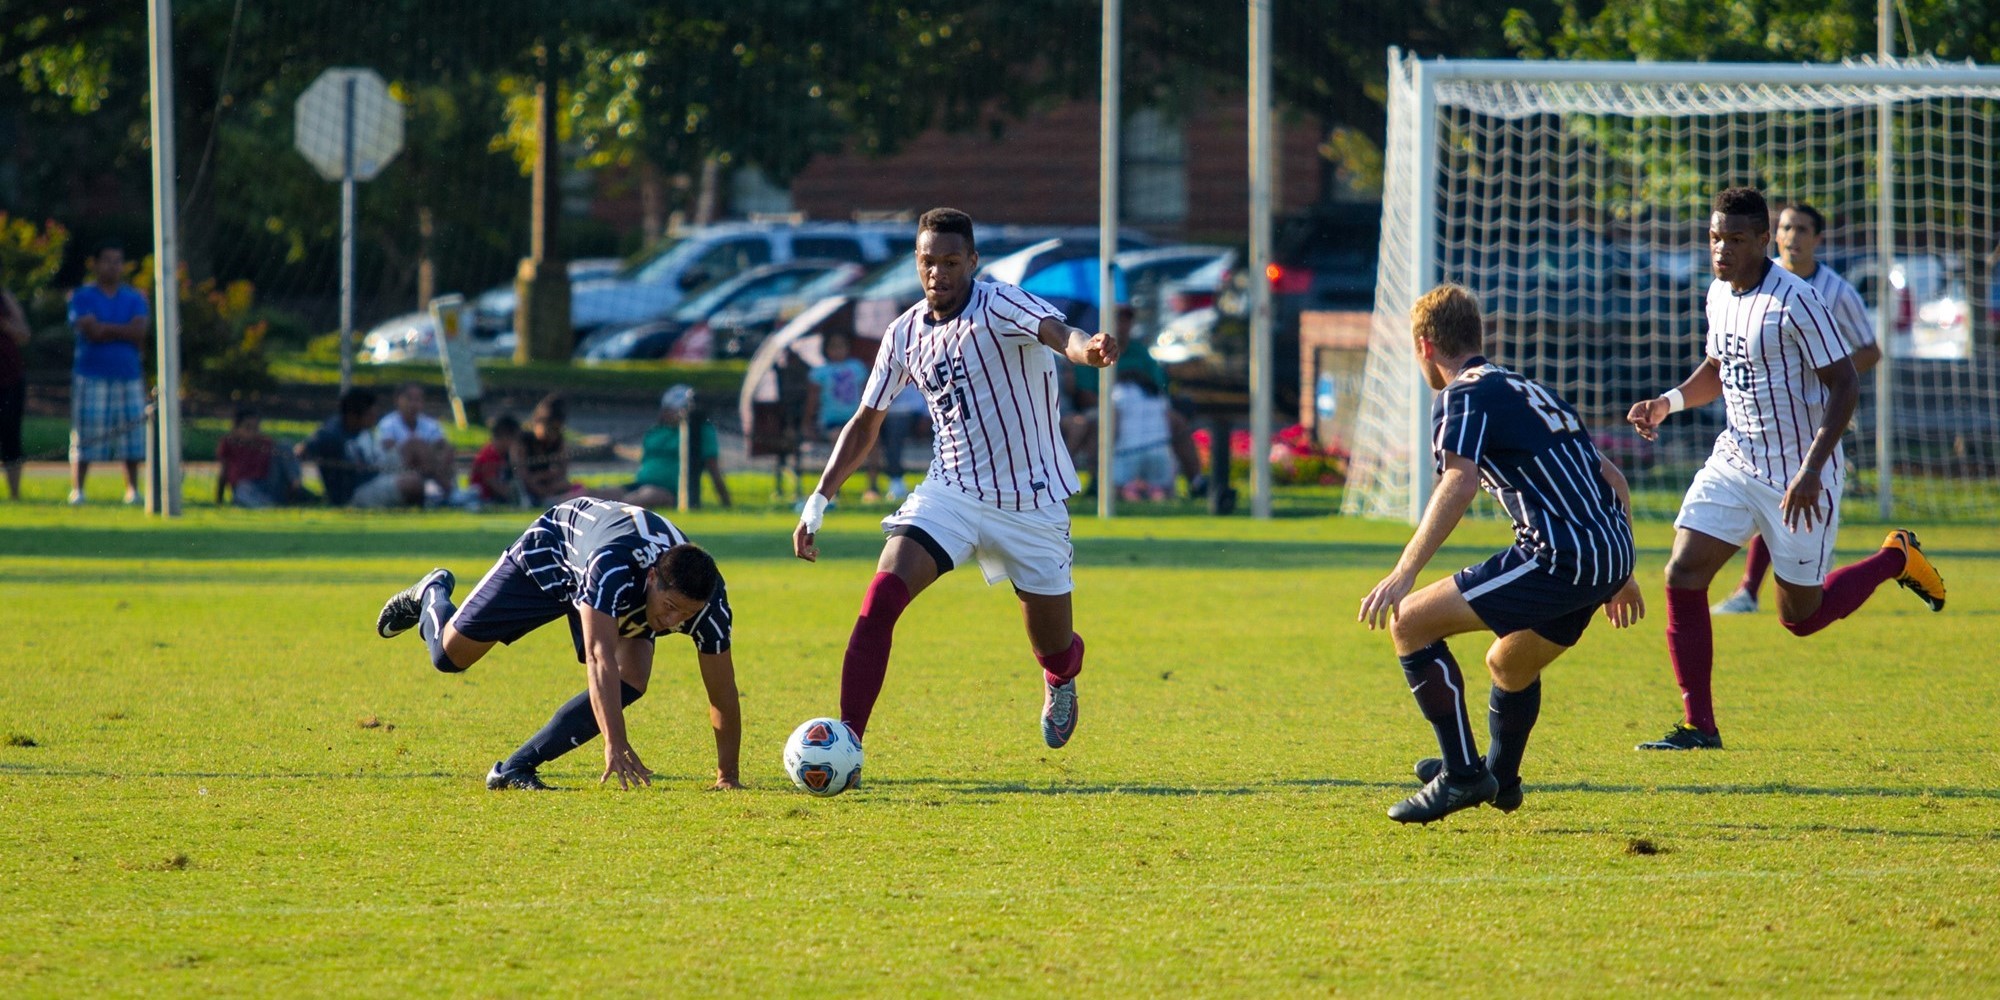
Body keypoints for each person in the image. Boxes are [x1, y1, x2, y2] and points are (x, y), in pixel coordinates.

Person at [1625, 187, 1946, 752]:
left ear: (1761, 240)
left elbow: (1845, 383)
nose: (1721, 249)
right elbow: (1717, 366)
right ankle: (1700, 726)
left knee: (1800, 617)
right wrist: (1667, 403)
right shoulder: (1718, 293)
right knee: (1682, 574)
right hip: (1734, 460)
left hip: (1799, 474)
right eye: (1715, 238)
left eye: (1735, 239)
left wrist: (1812, 470)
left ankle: (1896, 557)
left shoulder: (1796, 300)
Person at [792, 207, 1119, 761]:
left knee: (1054, 647)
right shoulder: (903, 333)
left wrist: (1087, 351)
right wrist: (818, 501)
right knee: (881, 598)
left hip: (1031, 503)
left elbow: (1059, 333)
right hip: (951, 494)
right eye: (928, 262)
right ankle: (848, 741)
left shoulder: (1002, 304)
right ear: (916, 263)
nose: (938, 273)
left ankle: (1061, 676)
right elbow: (866, 422)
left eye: (950, 261)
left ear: (972, 261)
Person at [1358, 284, 1643, 824]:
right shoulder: (1528, 388)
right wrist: (1623, 572)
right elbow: (1612, 477)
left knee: (1410, 623)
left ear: (1424, 346)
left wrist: (1404, 572)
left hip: (1561, 554)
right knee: (1508, 661)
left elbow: (1459, 481)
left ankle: (1462, 774)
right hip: (1608, 551)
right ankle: (1501, 779)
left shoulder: (1462, 395)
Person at [373, 497, 741, 791]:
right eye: (670, 607)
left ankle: (515, 768)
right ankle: (432, 591)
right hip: (553, 552)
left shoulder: (710, 607)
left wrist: (727, 777)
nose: (674, 620)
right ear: (652, 578)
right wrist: (614, 741)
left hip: (614, 579)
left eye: (685, 613)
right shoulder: (612, 569)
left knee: (632, 676)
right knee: (448, 656)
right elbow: (598, 655)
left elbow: (722, 691)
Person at [1713, 201, 1884, 616]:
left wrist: (1815, 375)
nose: (1792, 237)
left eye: (1802, 229)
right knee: (1765, 492)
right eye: (1786, 227)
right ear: (1773, 236)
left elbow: (1869, 351)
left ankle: (1780, 578)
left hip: (1816, 419)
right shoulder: (1745, 282)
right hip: (1762, 427)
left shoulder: (1834, 292)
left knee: (1802, 608)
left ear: (1818, 239)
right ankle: (1749, 589)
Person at [67, 245, 149, 505]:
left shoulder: (134, 297)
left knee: (132, 434)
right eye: (107, 260)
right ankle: (78, 490)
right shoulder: (83, 296)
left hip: (129, 374)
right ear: (95, 264)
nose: (113, 266)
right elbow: (92, 332)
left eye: (118, 261)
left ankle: (132, 490)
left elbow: (139, 331)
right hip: (90, 373)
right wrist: (123, 330)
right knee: (87, 432)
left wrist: (105, 328)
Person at [299, 388, 423, 508]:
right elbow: (300, 452)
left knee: (415, 446)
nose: (375, 417)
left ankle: (433, 493)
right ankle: (423, 503)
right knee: (413, 483)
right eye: (370, 414)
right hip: (354, 492)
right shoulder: (330, 434)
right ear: (353, 416)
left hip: (373, 474)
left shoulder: (360, 429)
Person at [623, 385, 731, 510]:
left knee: (641, 497)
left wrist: (726, 502)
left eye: (672, 409)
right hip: (641, 484)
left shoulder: (700, 431)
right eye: (666, 409)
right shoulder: (656, 431)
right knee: (606, 495)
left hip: (669, 491)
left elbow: (713, 469)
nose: (666, 413)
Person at [515, 394, 613, 506]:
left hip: (550, 487)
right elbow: (522, 475)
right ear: (539, 422)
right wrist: (541, 486)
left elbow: (562, 470)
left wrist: (546, 479)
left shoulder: (558, 440)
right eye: (551, 429)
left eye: (557, 430)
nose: (553, 435)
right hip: (529, 490)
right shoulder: (523, 440)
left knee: (584, 491)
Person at [806, 331, 873, 496]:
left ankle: (872, 487)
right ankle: (833, 489)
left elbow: (867, 393)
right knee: (839, 440)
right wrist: (807, 423)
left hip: (855, 419)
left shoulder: (857, 367)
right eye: (833, 347)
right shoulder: (820, 372)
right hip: (832, 421)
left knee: (872, 442)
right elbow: (813, 400)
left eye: (841, 346)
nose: (838, 351)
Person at [375, 382, 458, 501]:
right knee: (415, 445)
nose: (414, 404)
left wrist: (428, 456)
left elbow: (441, 445)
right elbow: (390, 448)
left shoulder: (431, 424)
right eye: (409, 399)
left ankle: (443, 490)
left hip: (426, 467)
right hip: (396, 469)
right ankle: (449, 491)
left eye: (418, 399)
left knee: (446, 449)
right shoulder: (387, 424)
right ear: (397, 400)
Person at [215, 406, 306, 508]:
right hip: (245, 486)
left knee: (284, 445)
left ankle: (296, 488)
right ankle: (266, 504)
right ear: (236, 428)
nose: (253, 432)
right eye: (248, 427)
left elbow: (282, 461)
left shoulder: (265, 443)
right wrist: (219, 499)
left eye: (256, 428)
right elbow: (224, 472)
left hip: (269, 485)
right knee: (243, 488)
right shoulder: (228, 444)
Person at [1109, 368, 1174, 502]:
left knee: (1119, 487)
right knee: (1159, 489)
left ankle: (1131, 496)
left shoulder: (1118, 392)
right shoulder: (1158, 395)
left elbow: (1114, 425)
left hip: (1128, 450)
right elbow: (1169, 423)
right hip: (1159, 449)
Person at [0, 284, 27, 501]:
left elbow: (24, 334)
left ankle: (14, 494)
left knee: (11, 437)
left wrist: (6, 325)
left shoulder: (5, 299)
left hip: (10, 379)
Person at [469, 414, 522, 506]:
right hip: (482, 498)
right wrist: (514, 498)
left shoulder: (503, 454)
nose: (517, 443)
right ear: (505, 437)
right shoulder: (489, 453)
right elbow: (492, 482)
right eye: (515, 439)